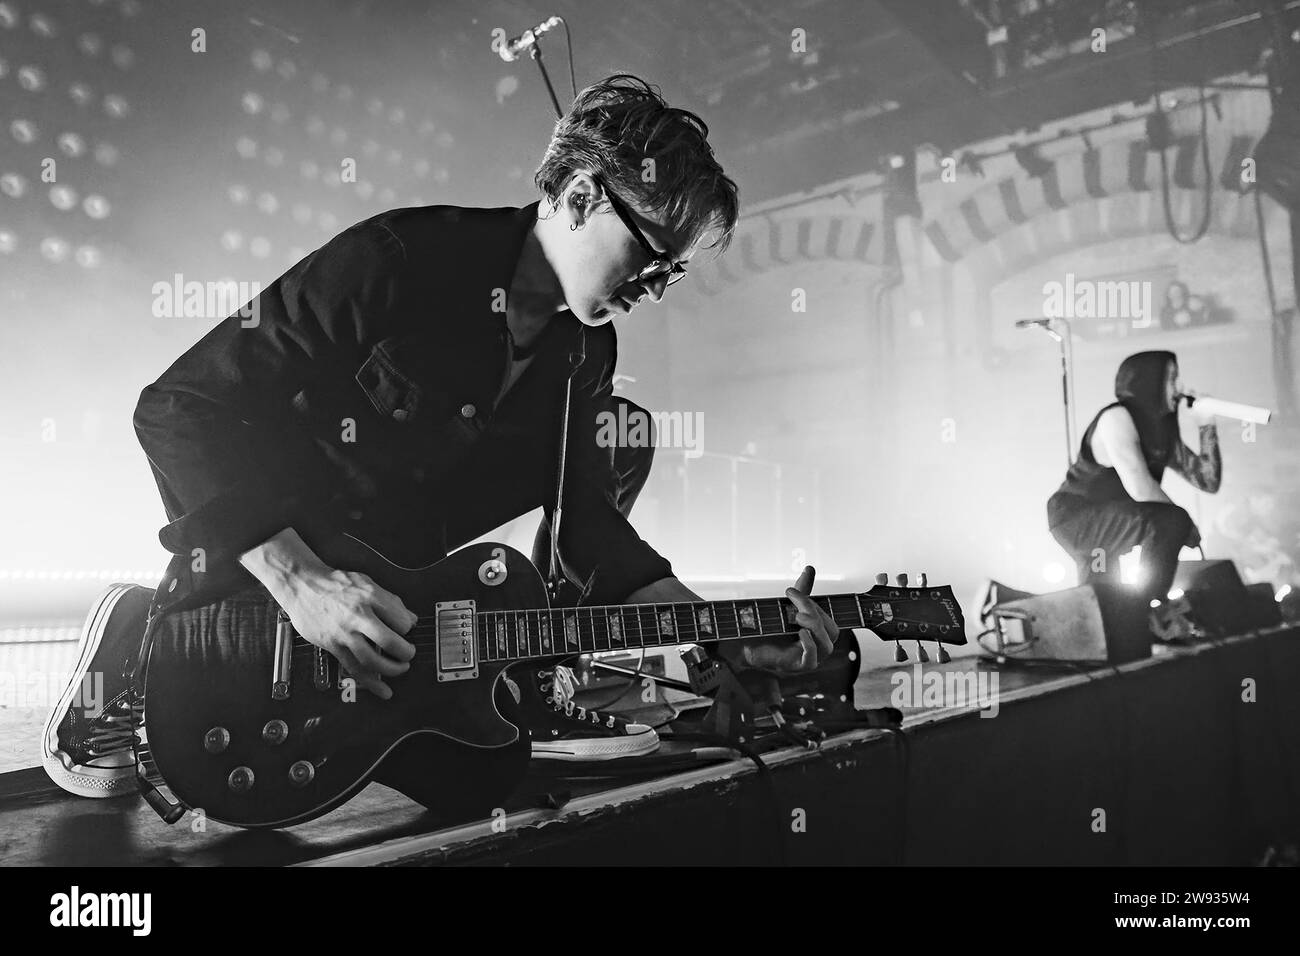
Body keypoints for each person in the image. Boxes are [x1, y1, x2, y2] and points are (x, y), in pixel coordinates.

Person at [43, 75, 842, 811]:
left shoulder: (585, 354)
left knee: (484, 775)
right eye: (652, 254)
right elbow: (180, 407)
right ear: (579, 197)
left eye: (674, 273)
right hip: (276, 564)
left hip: (401, 598)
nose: (655, 288)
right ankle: (140, 633)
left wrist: (727, 634)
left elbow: (590, 532)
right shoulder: (398, 260)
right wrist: (304, 582)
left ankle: (510, 686)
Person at [1047, 350, 1221, 611]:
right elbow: (1141, 488)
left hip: (1109, 524)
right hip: (1078, 517)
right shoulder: (1116, 418)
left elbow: (1207, 479)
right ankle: (1149, 606)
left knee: (1101, 602)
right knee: (1171, 520)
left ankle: (1128, 616)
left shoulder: (1160, 434)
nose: (1179, 388)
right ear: (1149, 382)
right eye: (1172, 379)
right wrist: (1184, 523)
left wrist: (1206, 424)